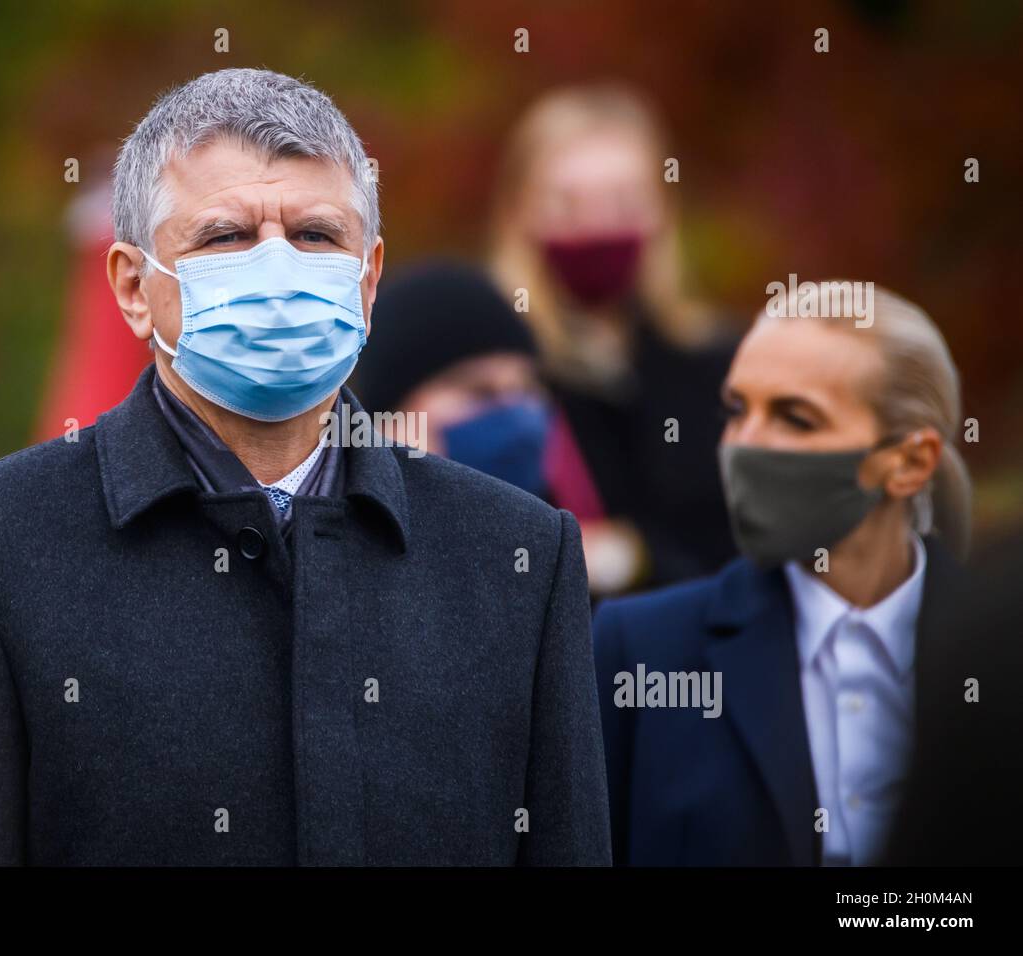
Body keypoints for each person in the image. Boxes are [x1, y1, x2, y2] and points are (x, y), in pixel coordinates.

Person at [0, 68, 610, 866]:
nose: (278, 270)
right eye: (226, 237)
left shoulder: (516, 559)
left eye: (317, 236)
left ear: (370, 276)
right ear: (133, 286)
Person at [593, 284, 972, 865]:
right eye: (738, 410)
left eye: (796, 419)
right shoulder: (640, 647)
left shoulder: (994, 651)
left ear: (909, 462)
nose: (745, 445)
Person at [489, 84, 738, 592]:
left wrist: (636, 553)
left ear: (662, 210)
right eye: (568, 203)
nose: (598, 225)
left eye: (622, 201)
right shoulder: (492, 379)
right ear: (519, 213)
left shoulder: (727, 367)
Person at [355, 260, 609, 536]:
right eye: (480, 391)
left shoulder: (555, 548)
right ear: (391, 418)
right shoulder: (344, 548)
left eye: (526, 388)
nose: (514, 411)